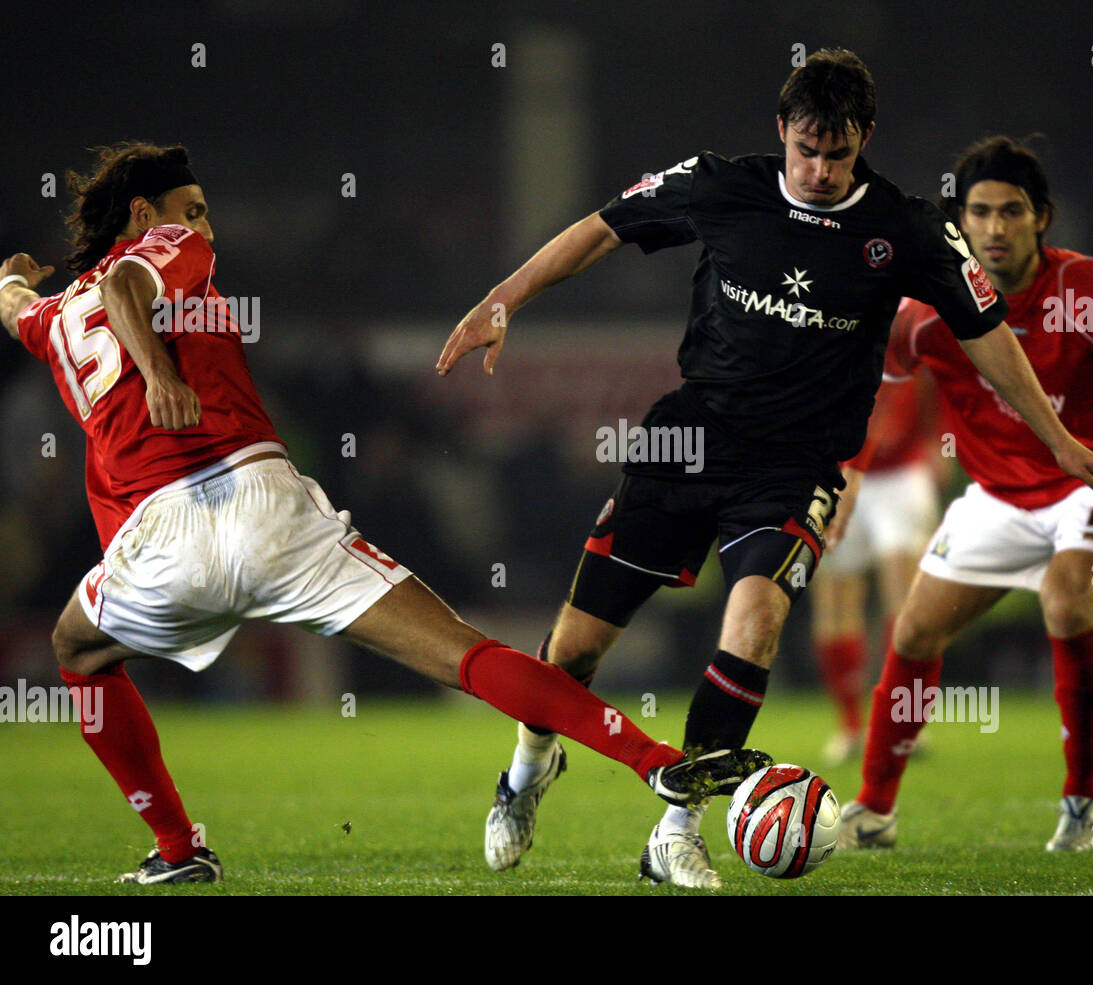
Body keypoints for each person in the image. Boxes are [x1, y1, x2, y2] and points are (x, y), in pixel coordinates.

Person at [438, 51, 1093, 888]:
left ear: (864, 139)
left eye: (839, 153)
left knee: (756, 615)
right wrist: (502, 298)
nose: (823, 169)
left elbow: (985, 328)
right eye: (808, 150)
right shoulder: (722, 185)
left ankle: (678, 828)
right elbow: (603, 228)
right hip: (689, 440)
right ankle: (527, 768)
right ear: (782, 132)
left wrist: (1056, 436)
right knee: (575, 649)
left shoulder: (907, 230)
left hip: (796, 465)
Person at [0, 142, 767, 885]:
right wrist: (162, 370)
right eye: (193, 209)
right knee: (460, 652)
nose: (206, 228)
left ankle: (177, 848)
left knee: (78, 648)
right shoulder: (171, 248)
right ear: (144, 212)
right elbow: (132, 286)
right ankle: (657, 760)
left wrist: (14, 277)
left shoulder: (57, 316)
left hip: (157, 549)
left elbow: (15, 308)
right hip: (260, 507)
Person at [836, 135, 1093, 853]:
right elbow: (879, 383)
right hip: (999, 494)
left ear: (1042, 218)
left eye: (1012, 211)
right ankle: (874, 810)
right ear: (960, 220)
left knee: (1066, 601)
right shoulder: (927, 307)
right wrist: (848, 472)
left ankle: (1083, 802)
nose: (996, 228)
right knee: (912, 632)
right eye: (980, 212)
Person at [811, 371, 942, 765]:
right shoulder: (818, 320)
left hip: (899, 472)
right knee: (835, 601)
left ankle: (900, 724)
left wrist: (937, 437)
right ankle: (850, 726)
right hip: (835, 474)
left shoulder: (905, 314)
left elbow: (939, 369)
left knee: (906, 602)